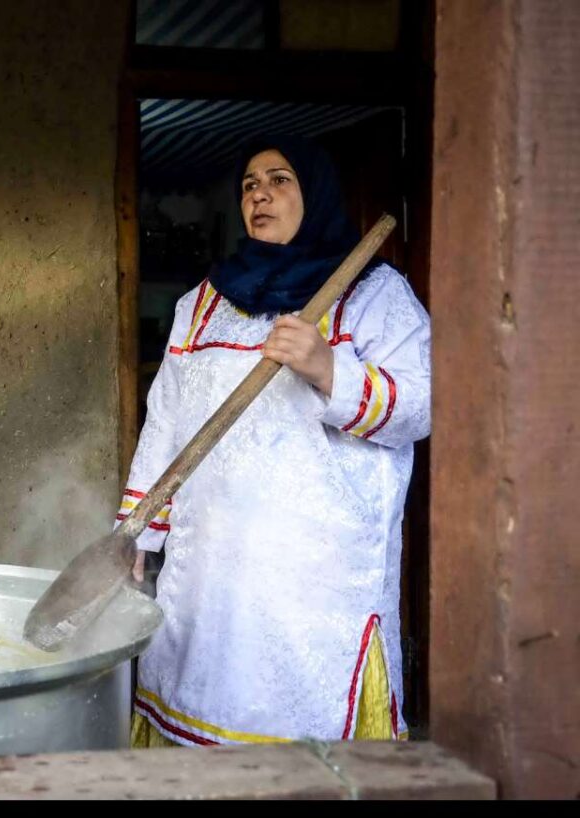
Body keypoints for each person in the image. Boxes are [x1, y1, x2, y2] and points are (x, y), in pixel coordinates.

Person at [124, 134, 430, 747]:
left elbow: (421, 407)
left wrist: (329, 370)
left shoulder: (374, 296)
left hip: (316, 576)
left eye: (280, 179)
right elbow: (166, 418)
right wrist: (138, 526)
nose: (260, 194)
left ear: (313, 194)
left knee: (303, 738)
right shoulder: (202, 303)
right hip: (208, 565)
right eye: (249, 185)